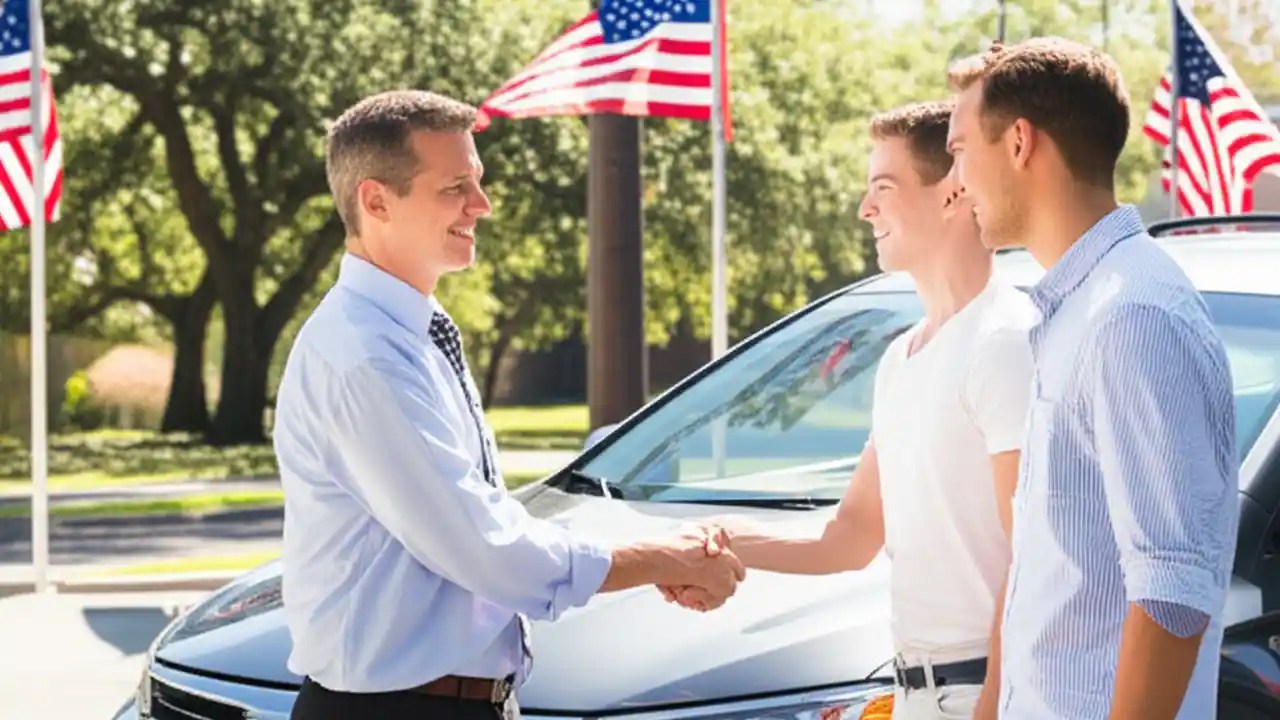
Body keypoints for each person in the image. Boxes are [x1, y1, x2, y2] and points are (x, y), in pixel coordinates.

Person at [272, 89, 746, 720]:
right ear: (376, 200)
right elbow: (485, 548)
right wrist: (660, 559)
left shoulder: (408, 332)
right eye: (455, 188)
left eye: (479, 182)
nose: (482, 205)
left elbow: (486, 518)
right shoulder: (366, 357)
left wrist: (648, 544)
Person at [664, 100, 1036, 720]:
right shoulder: (901, 359)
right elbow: (848, 537)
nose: (865, 209)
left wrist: (990, 709)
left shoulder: (1005, 343)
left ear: (953, 193)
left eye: (883, 189)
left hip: (989, 695)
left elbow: (1032, 563)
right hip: (916, 696)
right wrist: (710, 545)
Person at [945, 38, 1239, 720]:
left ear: (1019, 143)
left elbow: (1170, 593)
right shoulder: (1084, 309)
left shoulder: (1130, 316)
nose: (954, 181)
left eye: (960, 150)